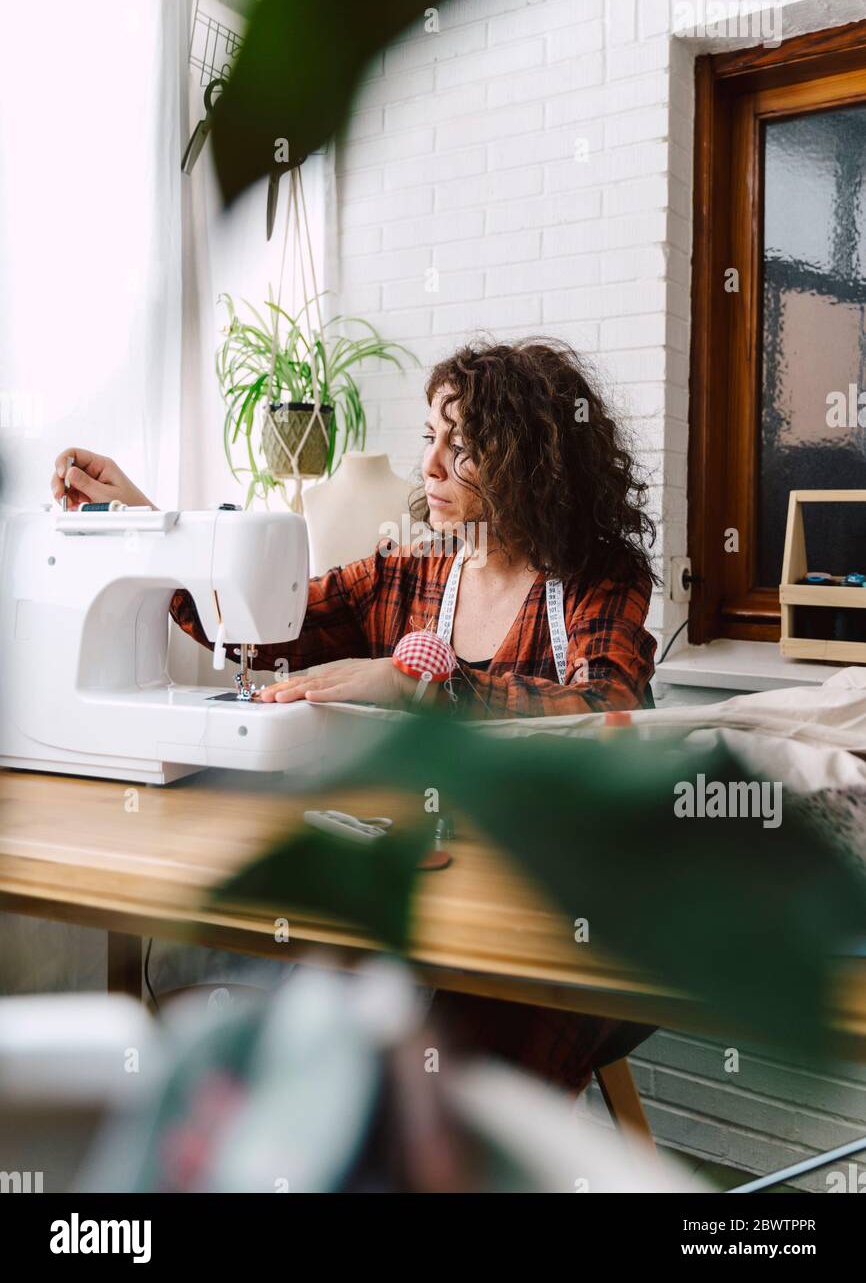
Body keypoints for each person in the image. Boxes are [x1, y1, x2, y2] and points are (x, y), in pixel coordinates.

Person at [52, 338, 659, 1092]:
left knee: (473, 1068)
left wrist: (413, 685)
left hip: (579, 910)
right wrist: (150, 520)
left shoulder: (598, 580)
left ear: (531, 460)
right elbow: (257, 623)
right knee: (345, 1039)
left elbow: (609, 715)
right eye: (430, 439)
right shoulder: (405, 572)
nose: (430, 467)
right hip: (454, 888)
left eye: (462, 447)